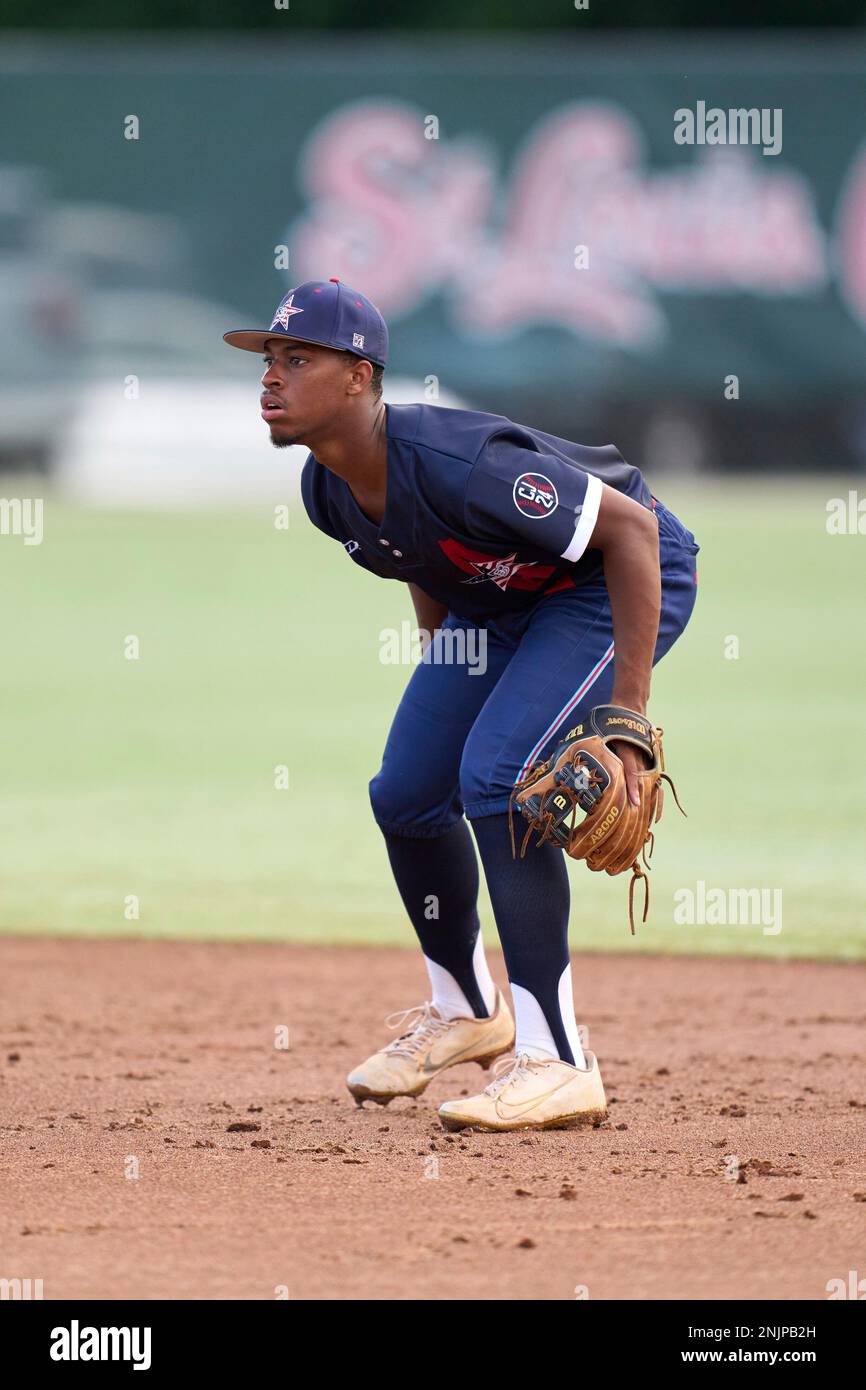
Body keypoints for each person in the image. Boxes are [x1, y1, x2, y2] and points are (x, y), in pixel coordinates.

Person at [224, 278, 700, 1132]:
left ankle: (557, 1060)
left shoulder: (462, 462)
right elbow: (420, 554)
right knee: (407, 791)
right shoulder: (327, 490)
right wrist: (441, 681)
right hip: (503, 608)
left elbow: (630, 530)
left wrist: (626, 721)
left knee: (499, 775)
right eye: (269, 358)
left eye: (296, 358)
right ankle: (468, 1007)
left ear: (360, 377)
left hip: (611, 584)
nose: (271, 377)